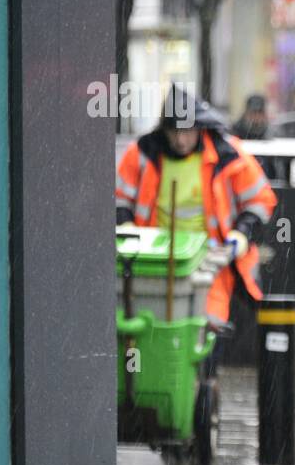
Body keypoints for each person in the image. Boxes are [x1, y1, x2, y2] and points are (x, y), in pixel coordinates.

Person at [116, 84, 277, 329]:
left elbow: (260, 200)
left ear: (200, 128)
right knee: (153, 326)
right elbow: (120, 199)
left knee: (207, 325)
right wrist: (127, 228)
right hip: (154, 262)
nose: (180, 140)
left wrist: (241, 234)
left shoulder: (228, 155)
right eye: (174, 132)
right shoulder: (142, 153)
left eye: (187, 132)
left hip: (210, 261)